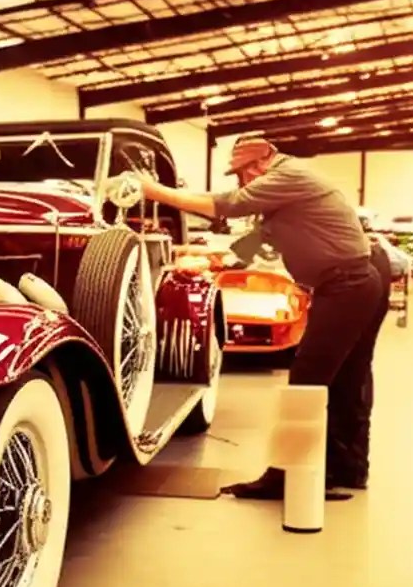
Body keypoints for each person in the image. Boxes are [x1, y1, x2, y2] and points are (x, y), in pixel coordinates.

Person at [140, 136, 386, 500]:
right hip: (359, 279)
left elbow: (228, 205)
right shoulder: (285, 192)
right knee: (348, 379)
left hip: (348, 283)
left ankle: (286, 476)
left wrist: (153, 191)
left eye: (242, 173)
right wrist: (215, 262)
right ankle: (347, 468)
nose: (241, 181)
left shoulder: (290, 175)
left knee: (307, 379)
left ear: (261, 163)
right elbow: (258, 239)